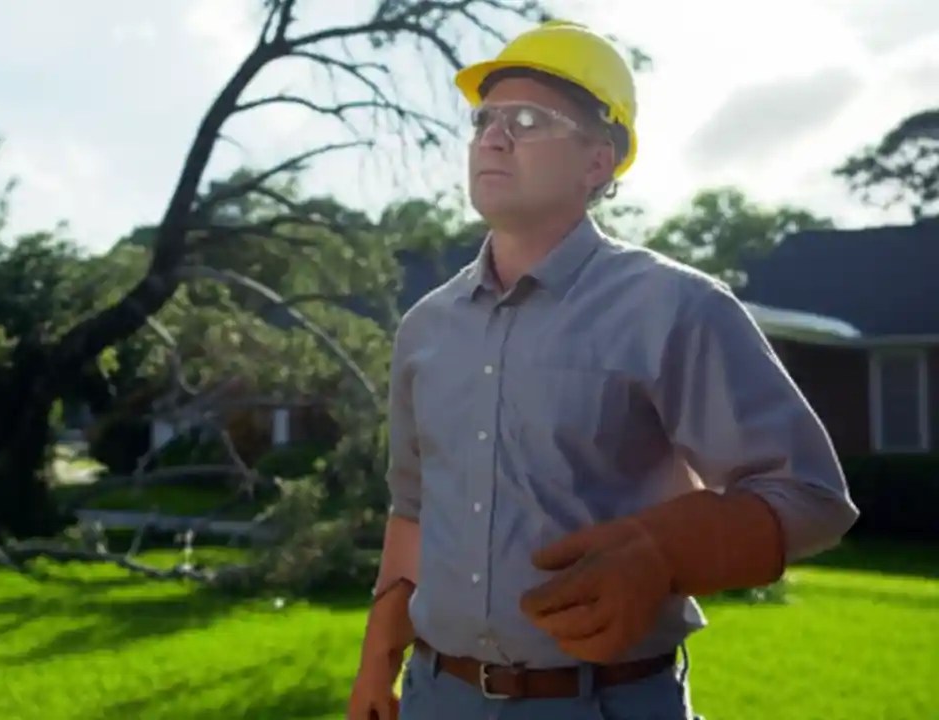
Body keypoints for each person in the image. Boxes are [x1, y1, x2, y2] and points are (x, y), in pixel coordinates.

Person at [346, 19, 859, 720]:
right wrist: (379, 662)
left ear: (599, 161)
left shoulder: (676, 307)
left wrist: (663, 553)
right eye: (484, 119)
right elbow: (414, 510)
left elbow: (810, 495)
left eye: (526, 119)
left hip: (604, 703)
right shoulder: (425, 329)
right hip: (439, 697)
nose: (493, 137)